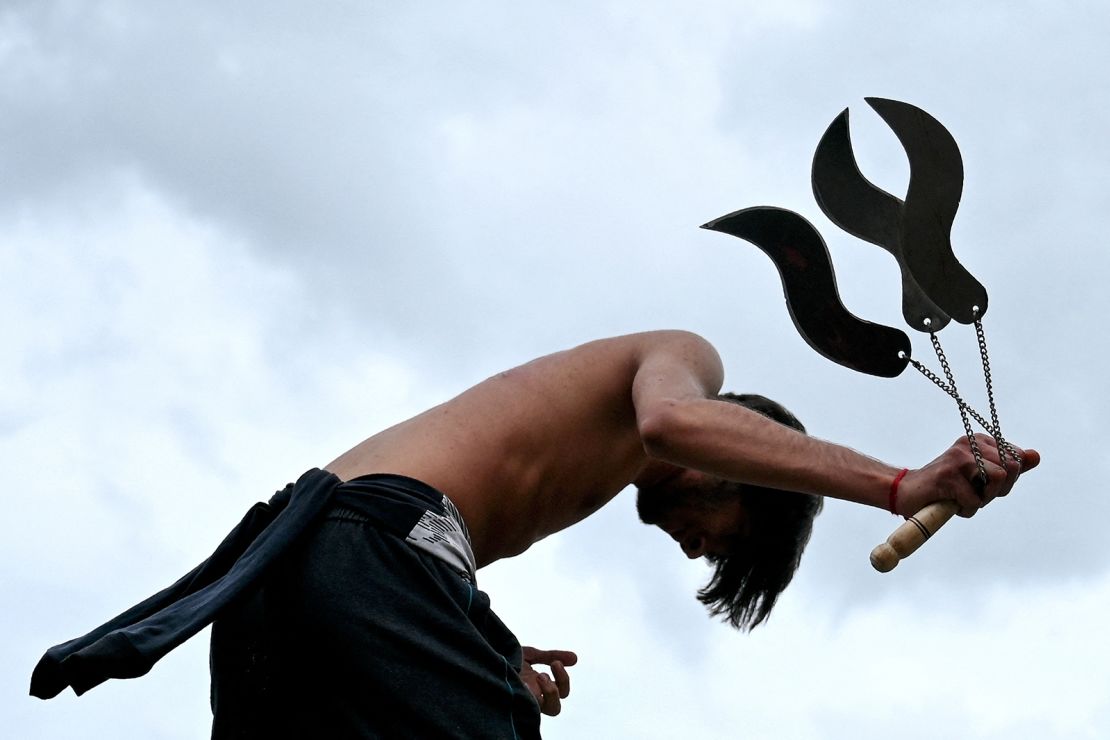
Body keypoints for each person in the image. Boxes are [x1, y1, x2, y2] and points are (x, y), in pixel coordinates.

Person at [32, 330, 1039, 738]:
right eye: (725, 537)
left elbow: (431, 514)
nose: (695, 549)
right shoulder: (684, 363)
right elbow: (673, 423)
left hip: (291, 569)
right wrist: (899, 481)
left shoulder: (581, 457)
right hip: (356, 547)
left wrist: (486, 645)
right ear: (746, 464)